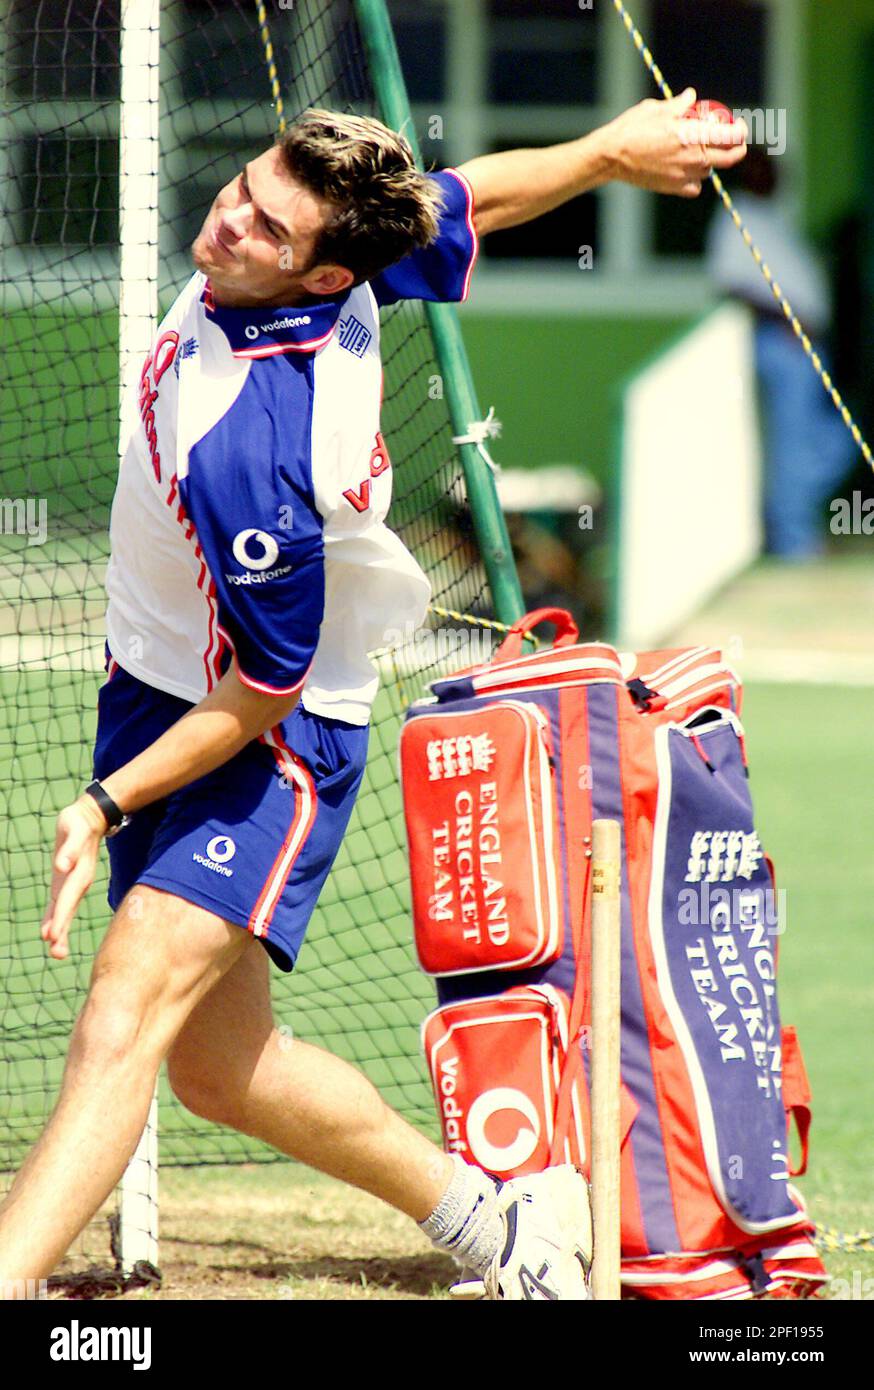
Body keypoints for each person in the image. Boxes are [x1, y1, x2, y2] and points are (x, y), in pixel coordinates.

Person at [0, 91, 746, 1301]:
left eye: (264, 227)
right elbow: (478, 197)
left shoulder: (261, 449)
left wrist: (101, 800)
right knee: (221, 1072)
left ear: (319, 272)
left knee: (122, 1015)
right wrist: (609, 149)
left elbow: (259, 692)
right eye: (243, 188)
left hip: (261, 736)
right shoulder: (346, 263)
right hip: (158, 686)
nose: (229, 220)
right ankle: (507, 1231)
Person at [706, 145, 856, 558]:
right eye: (766, 169)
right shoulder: (736, 217)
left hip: (806, 343)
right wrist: (787, 320)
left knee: (828, 439)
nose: (776, 177)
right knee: (793, 443)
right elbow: (729, 282)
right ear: (748, 174)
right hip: (782, 342)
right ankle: (793, 543)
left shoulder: (771, 218)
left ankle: (783, 520)